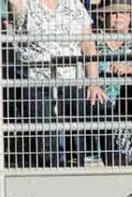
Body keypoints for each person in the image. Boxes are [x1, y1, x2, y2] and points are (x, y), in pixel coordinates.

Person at [10, 0, 108, 167]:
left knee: (96, 111)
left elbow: (88, 45)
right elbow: (14, 4)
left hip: (72, 79)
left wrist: (93, 83)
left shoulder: (74, 5)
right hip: (38, 80)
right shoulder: (27, 4)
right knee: (46, 133)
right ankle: (51, 169)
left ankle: (85, 163)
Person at [93, 1, 132, 116]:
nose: (118, 16)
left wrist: (130, 69)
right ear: (104, 16)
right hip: (98, 100)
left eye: (122, 12)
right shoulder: (94, 40)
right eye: (113, 12)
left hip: (131, 99)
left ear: (130, 16)